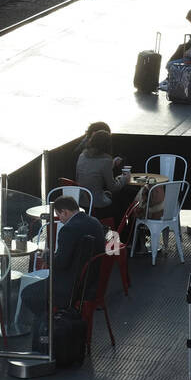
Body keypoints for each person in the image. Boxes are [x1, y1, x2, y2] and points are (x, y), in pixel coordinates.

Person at [21, 196, 105, 327]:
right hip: (92, 282)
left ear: (65, 212)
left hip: (72, 288)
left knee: (28, 294)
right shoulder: (95, 222)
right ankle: (52, 323)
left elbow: (61, 264)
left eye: (59, 215)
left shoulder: (69, 229)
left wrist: (47, 256)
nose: (60, 219)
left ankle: (50, 327)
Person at [76, 129, 136, 220]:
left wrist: (112, 164)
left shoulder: (82, 156)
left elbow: (93, 169)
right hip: (96, 203)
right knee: (123, 202)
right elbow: (113, 188)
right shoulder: (106, 160)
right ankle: (123, 230)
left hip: (82, 201)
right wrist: (125, 178)